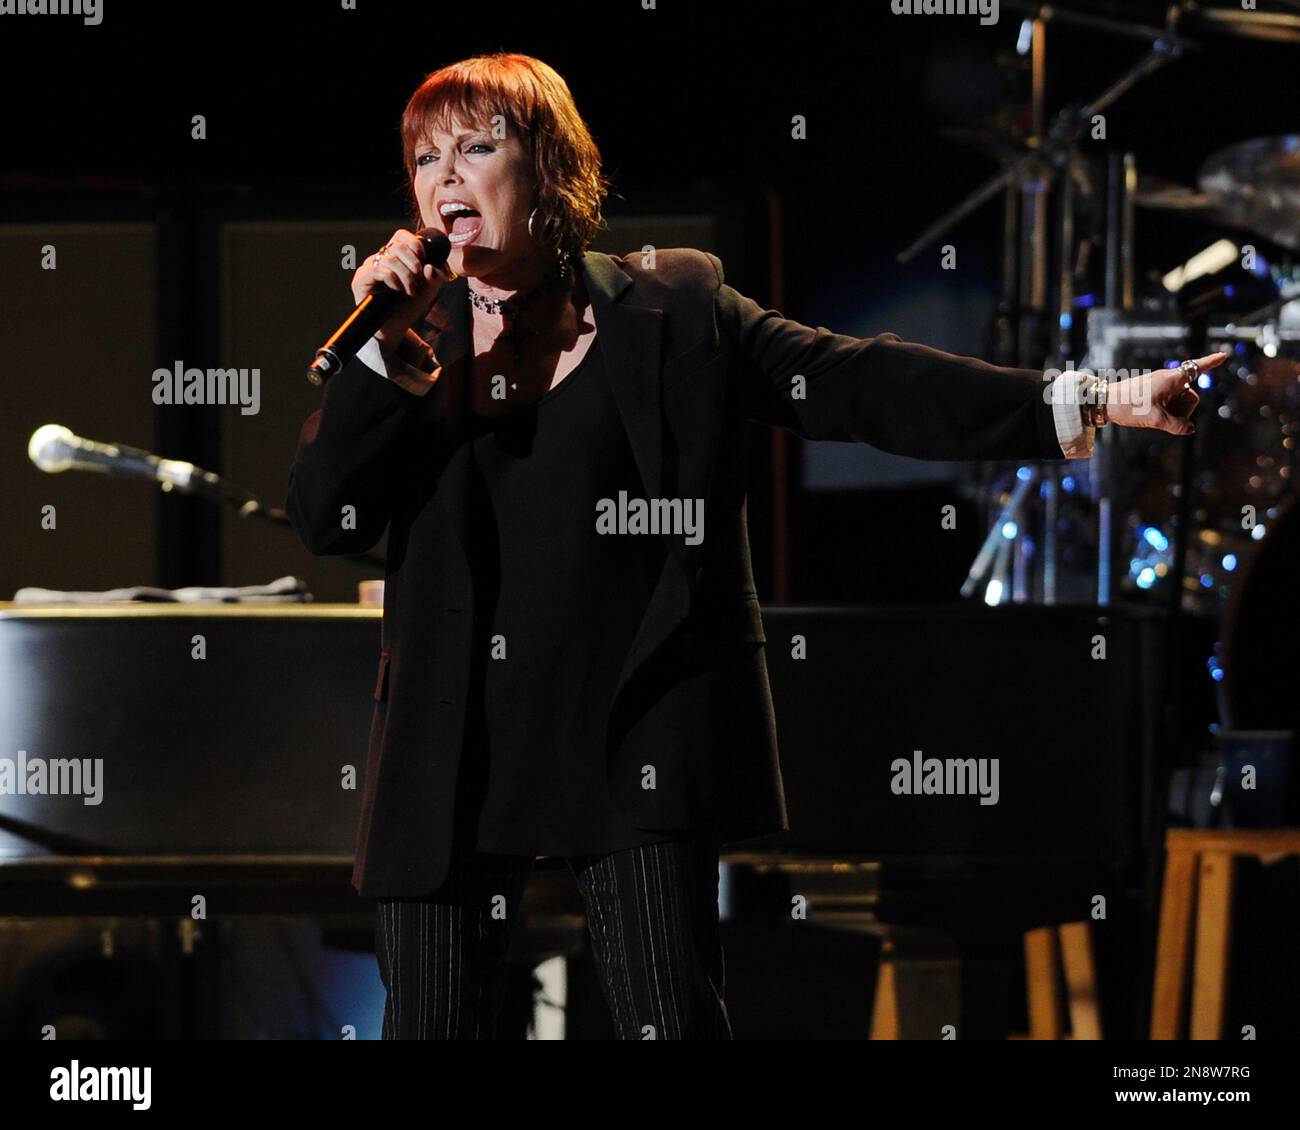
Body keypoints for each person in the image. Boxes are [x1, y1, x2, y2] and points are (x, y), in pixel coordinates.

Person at [285, 52, 1224, 1040]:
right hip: (455, 741)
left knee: (672, 1019)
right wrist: (376, 363)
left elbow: (864, 382)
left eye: (478, 147)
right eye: (426, 157)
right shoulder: (407, 345)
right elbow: (325, 519)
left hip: (629, 732)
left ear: (550, 169)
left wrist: (1096, 397)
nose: (444, 177)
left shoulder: (672, 312)